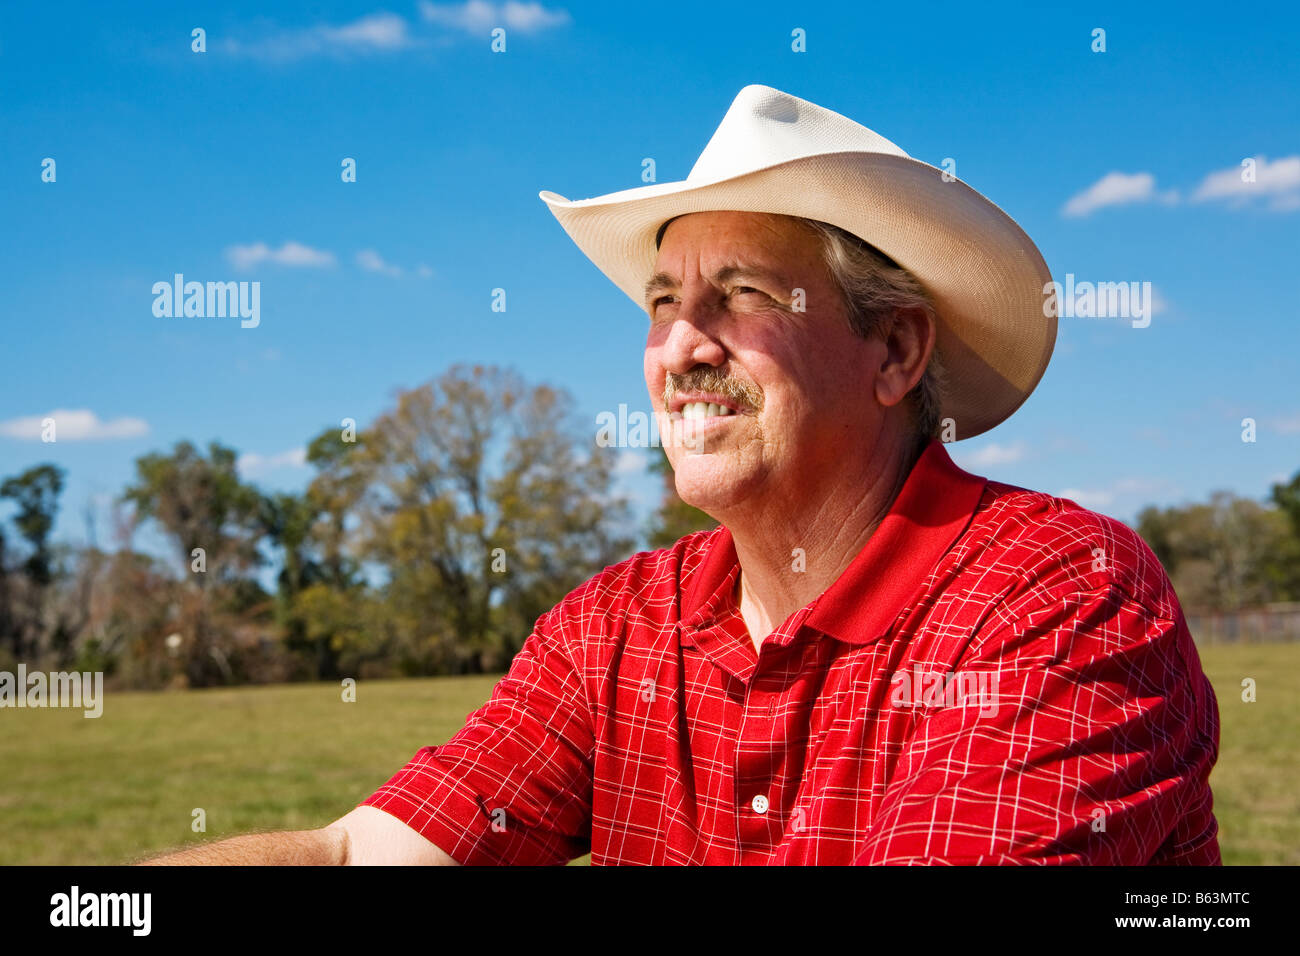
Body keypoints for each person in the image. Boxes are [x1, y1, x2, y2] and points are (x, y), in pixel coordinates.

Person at [143, 85, 1219, 866]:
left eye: (741, 294)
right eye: (663, 302)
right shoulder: (615, 624)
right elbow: (358, 857)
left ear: (894, 351)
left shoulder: (1054, 590)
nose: (681, 348)